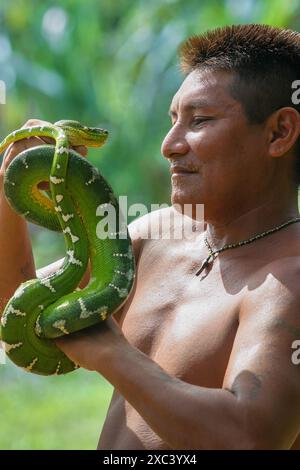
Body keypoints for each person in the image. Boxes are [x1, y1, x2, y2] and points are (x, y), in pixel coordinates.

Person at [1, 23, 300, 450]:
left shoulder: (291, 278)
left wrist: (110, 351)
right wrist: (11, 184)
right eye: (173, 120)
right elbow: (18, 309)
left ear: (279, 132)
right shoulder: (154, 235)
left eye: (200, 121)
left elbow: (247, 436)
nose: (170, 145)